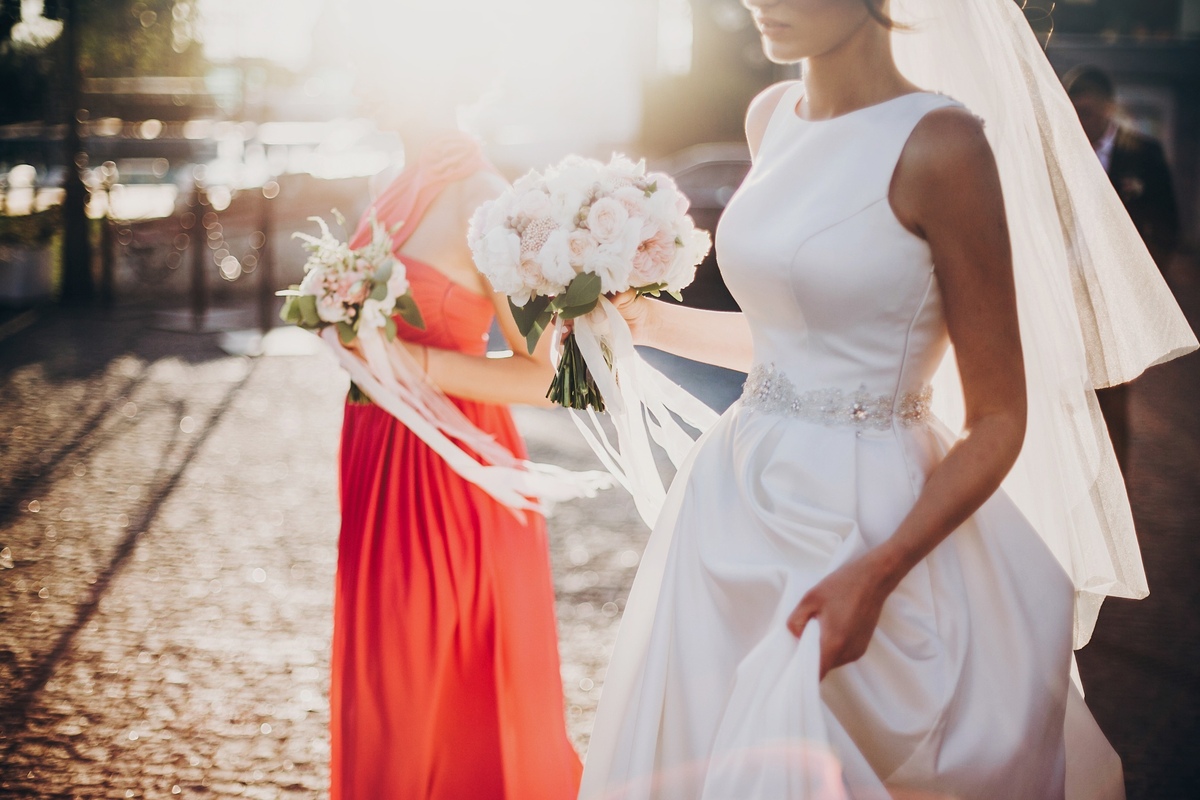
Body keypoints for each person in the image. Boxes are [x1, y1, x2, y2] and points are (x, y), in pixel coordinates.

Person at [577, 1, 1194, 799]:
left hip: (868, 519)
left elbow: (1000, 416)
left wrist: (876, 573)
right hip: (730, 504)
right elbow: (797, 340)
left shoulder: (944, 145)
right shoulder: (771, 117)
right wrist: (647, 320)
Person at [329, 127, 582, 799]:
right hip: (375, 450)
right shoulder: (398, 182)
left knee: (430, 698)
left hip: (447, 473)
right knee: (383, 690)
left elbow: (548, 376)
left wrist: (415, 365)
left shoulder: (489, 200)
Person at [1066, 65, 1180, 474]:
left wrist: (1144, 292)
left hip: (1117, 298)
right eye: (1074, 112)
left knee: (1113, 394)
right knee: (1068, 398)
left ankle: (1117, 490)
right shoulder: (1060, 155)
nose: (1081, 121)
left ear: (1109, 108)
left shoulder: (1143, 153)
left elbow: (1166, 226)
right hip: (1065, 293)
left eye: (1089, 112)